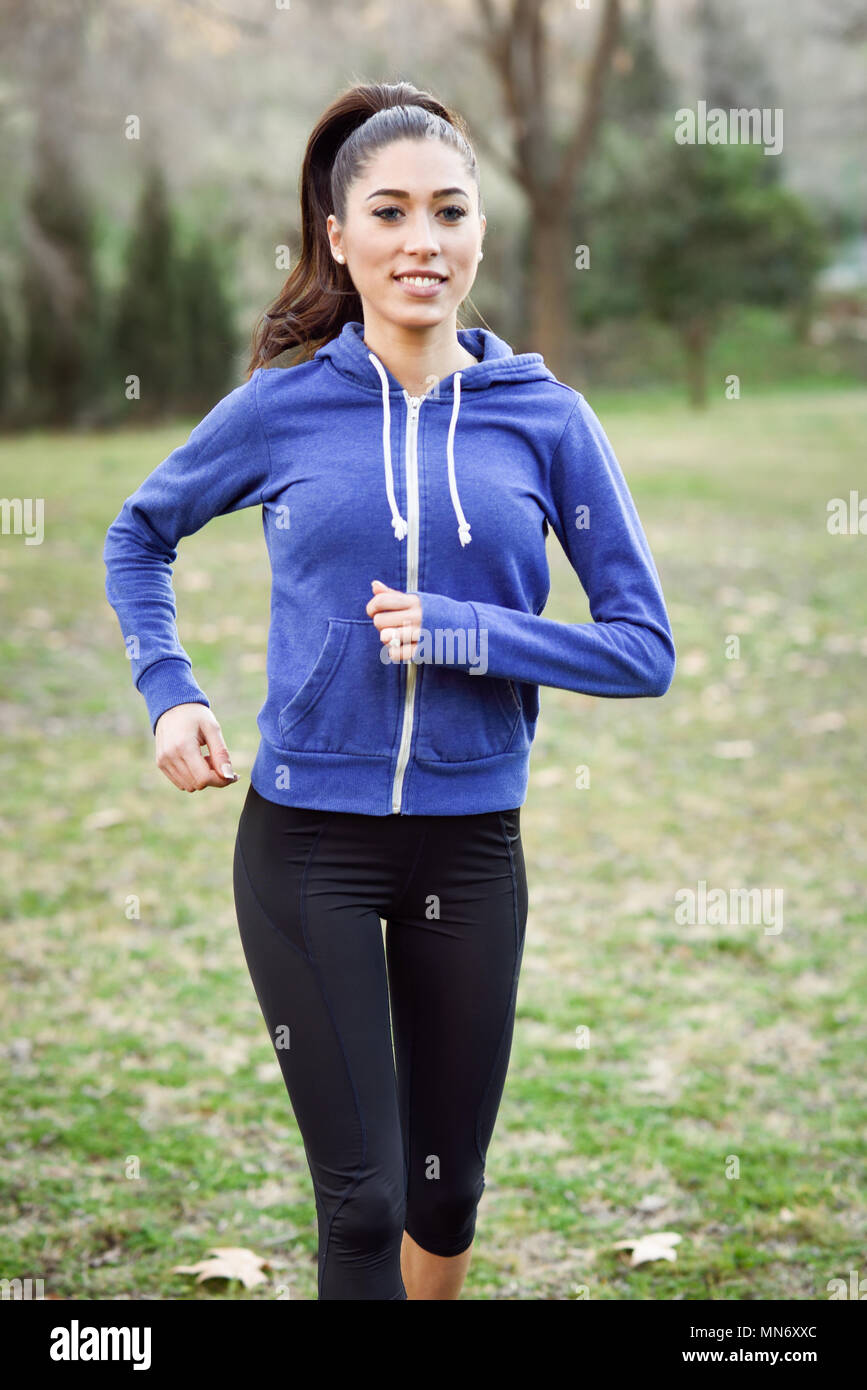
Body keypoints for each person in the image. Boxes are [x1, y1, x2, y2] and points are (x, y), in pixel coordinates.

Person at [103, 80, 676, 1301]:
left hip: (472, 846)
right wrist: (169, 689)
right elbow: (136, 533)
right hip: (308, 840)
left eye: (450, 211)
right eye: (392, 211)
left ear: (481, 237)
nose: (424, 239)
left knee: (444, 1191)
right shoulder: (284, 406)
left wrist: (476, 632)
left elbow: (643, 647)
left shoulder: (545, 419)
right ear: (338, 235)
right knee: (360, 1198)